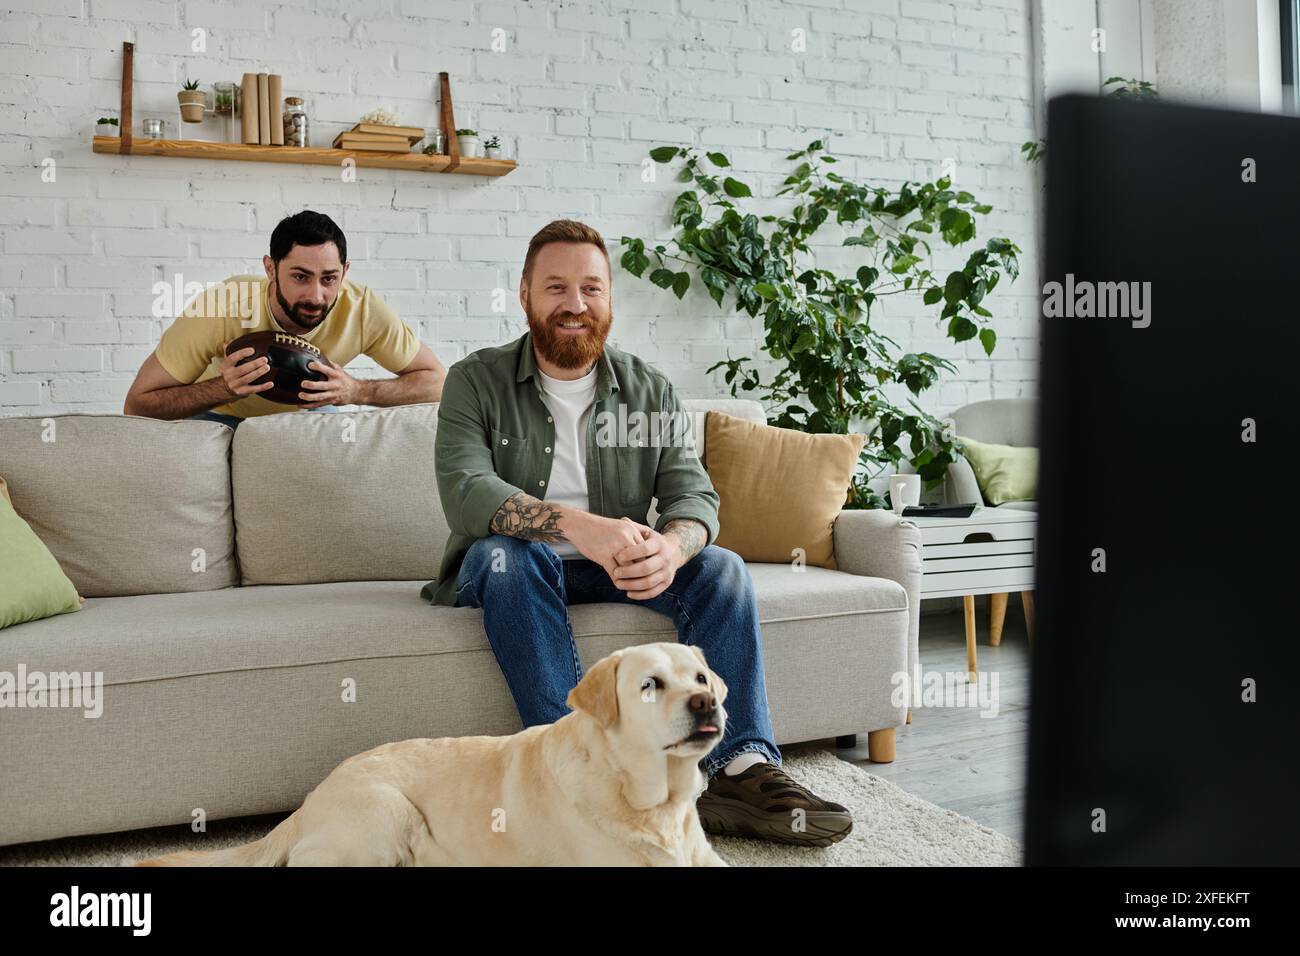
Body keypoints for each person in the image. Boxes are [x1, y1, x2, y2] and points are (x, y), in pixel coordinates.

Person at [422, 219, 852, 847]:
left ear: (609, 298)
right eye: (557, 288)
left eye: (591, 289)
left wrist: (672, 547)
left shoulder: (648, 389)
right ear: (524, 294)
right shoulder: (475, 380)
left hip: (615, 571)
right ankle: (570, 769)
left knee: (722, 569)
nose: (575, 304)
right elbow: (466, 493)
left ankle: (739, 768)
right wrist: (579, 526)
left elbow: (693, 495)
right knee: (506, 555)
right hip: (511, 567)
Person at [123, 210, 445, 427]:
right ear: (270, 268)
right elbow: (138, 405)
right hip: (219, 414)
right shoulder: (224, 305)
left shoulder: (362, 309)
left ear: (344, 272)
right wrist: (224, 388)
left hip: (308, 416)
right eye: (300, 277)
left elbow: (439, 384)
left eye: (329, 278)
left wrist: (355, 391)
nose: (316, 297)